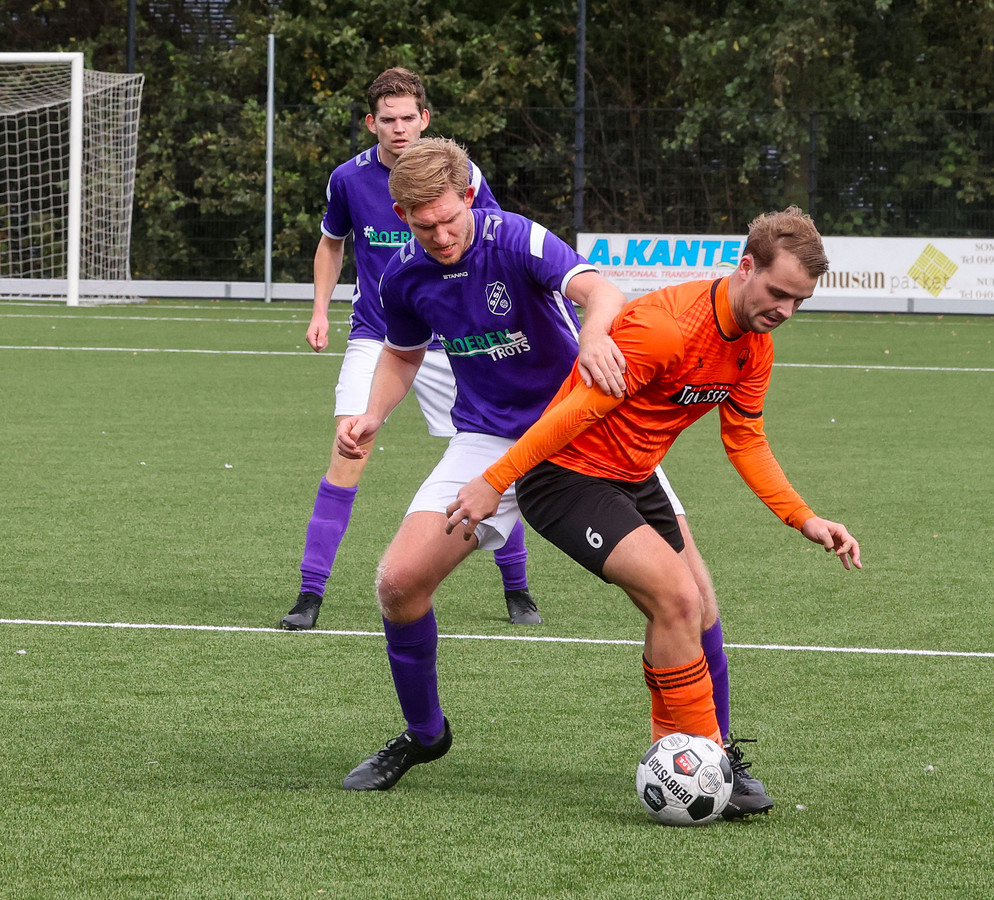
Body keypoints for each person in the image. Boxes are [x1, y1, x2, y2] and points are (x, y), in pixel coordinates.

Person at [335, 138, 773, 820]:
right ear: (402, 214)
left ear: (469, 199)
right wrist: (371, 414)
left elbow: (599, 289)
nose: (442, 235)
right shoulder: (402, 276)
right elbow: (399, 355)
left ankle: (716, 756)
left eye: (451, 219)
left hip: (591, 433)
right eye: (425, 226)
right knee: (398, 583)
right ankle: (425, 735)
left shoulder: (514, 239)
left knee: (693, 598)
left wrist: (595, 336)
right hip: (485, 442)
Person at [449, 206, 863, 817]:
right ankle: (706, 760)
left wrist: (805, 518)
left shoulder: (755, 348)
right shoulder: (667, 328)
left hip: (635, 477)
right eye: (778, 293)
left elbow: (745, 440)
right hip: (565, 477)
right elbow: (575, 413)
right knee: (676, 598)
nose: (785, 311)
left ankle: (693, 757)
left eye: (799, 301)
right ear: (745, 267)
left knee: (699, 604)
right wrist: (494, 480)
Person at [281, 67, 542, 631]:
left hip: (454, 340)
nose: (398, 129)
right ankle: (309, 594)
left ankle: (518, 589)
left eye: (408, 118)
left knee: (493, 454)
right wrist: (320, 310)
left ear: (425, 119)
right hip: (379, 337)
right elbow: (331, 245)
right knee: (349, 449)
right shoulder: (348, 179)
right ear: (371, 122)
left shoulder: (462, 174)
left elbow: (492, 240)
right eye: (387, 120)